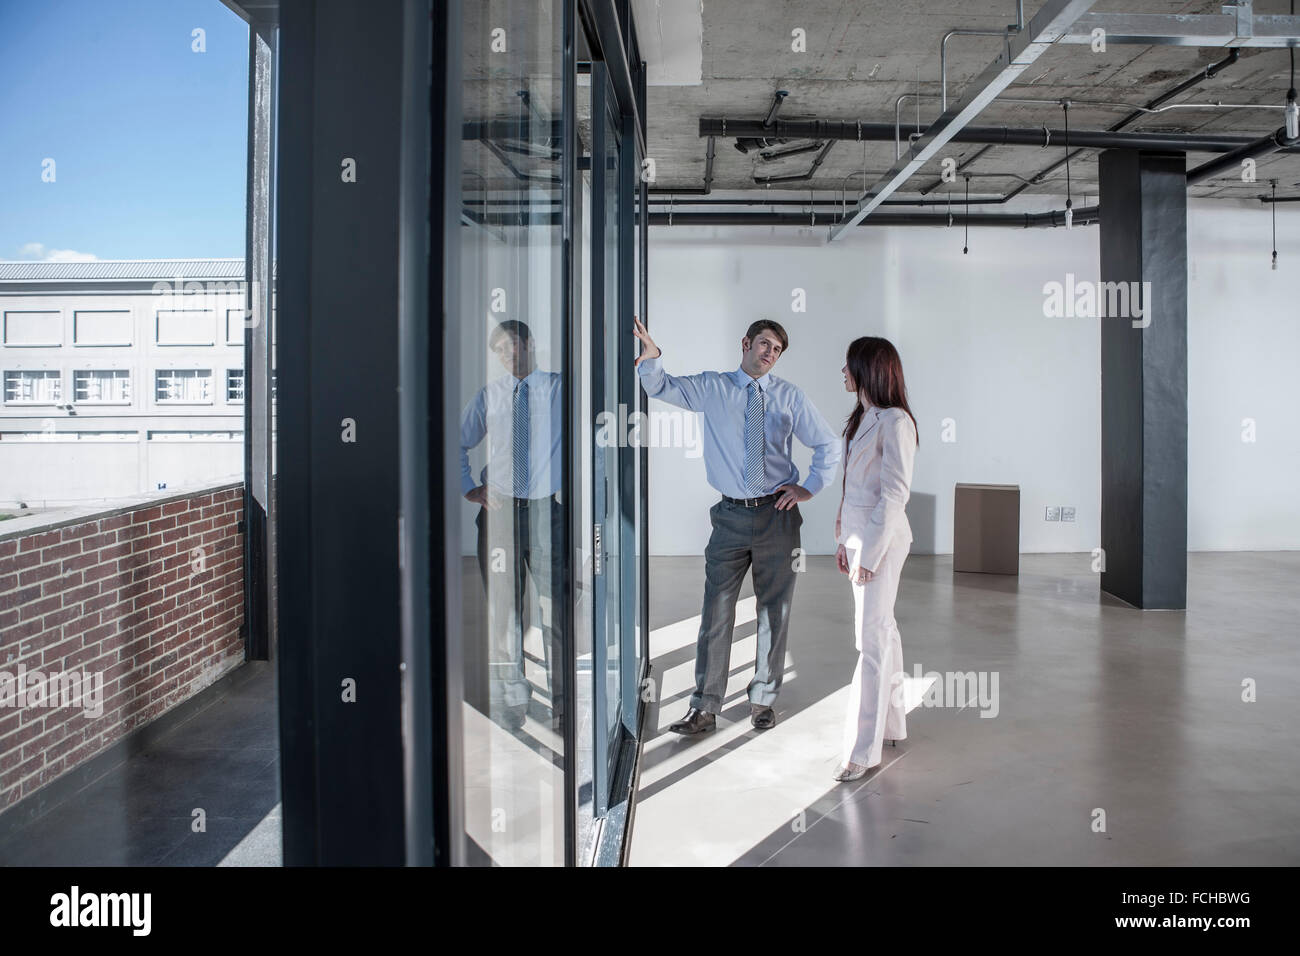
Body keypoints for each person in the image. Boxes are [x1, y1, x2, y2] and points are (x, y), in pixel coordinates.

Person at [633, 316, 841, 733]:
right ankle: (705, 706)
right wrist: (653, 358)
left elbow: (827, 444)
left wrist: (809, 488)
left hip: (777, 516)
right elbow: (660, 387)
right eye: (764, 343)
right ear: (745, 343)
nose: (769, 353)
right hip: (729, 516)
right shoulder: (713, 387)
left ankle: (763, 699)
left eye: (777, 350)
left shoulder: (789, 396)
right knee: (717, 610)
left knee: (773, 611)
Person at [459, 320, 565, 731]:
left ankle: (561, 703)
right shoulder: (491, 396)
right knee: (504, 612)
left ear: (531, 344)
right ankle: (514, 698)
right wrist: (470, 488)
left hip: (544, 512)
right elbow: (457, 441)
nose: (508, 355)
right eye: (500, 351)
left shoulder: (559, 389)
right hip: (499, 514)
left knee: (554, 609)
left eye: (513, 346)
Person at [833, 336, 919, 782]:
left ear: (869, 369)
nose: (842, 372)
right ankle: (891, 724)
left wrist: (869, 553)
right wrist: (841, 537)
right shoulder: (864, 416)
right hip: (857, 537)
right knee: (883, 629)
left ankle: (861, 750)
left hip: (881, 542)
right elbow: (853, 485)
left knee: (869, 642)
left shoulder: (896, 422)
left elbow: (893, 495)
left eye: (848, 365)